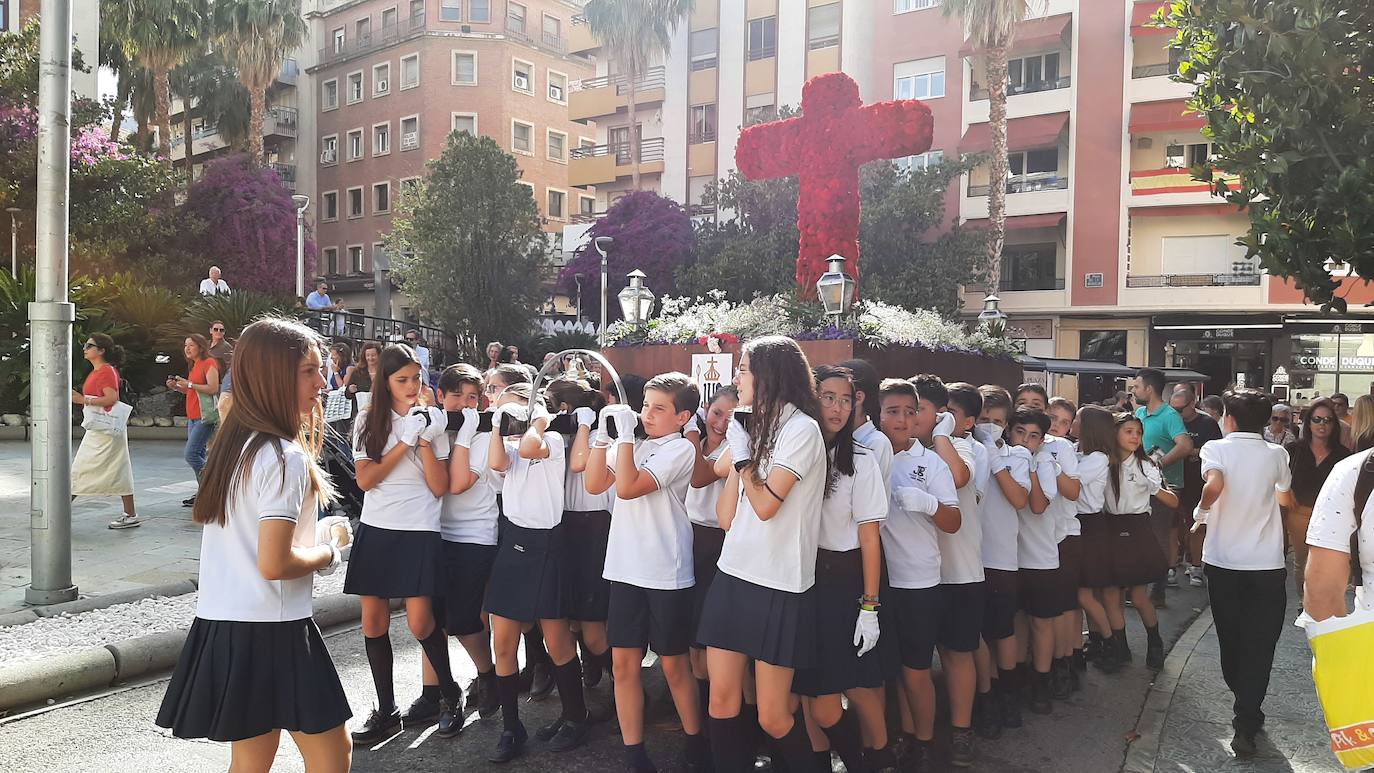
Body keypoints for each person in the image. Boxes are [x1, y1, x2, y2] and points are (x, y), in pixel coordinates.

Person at [155, 317, 352, 772]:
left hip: (228, 622)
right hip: (273, 625)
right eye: (309, 371)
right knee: (331, 754)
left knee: (251, 758)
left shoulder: (236, 445)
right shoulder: (284, 455)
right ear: (273, 377)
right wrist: (331, 551)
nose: (322, 382)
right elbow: (275, 562)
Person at [698, 336, 828, 773]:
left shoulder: (802, 430)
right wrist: (741, 447)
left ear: (769, 376)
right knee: (721, 697)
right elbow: (726, 517)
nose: (737, 377)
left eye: (744, 369)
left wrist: (742, 458)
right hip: (734, 574)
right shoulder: (753, 426)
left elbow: (769, 506)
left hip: (781, 582)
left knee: (773, 715)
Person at [584, 373, 709, 773]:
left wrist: (623, 439)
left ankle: (695, 742)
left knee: (674, 664)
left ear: (682, 416)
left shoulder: (681, 450)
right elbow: (592, 483)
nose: (647, 414)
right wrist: (605, 436)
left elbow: (629, 488)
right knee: (623, 665)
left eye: (659, 408)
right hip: (624, 568)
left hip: (665, 571)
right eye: (645, 404)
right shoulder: (633, 443)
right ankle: (634, 752)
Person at [344, 344, 464, 743]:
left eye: (416, 378)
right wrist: (404, 441)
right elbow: (364, 480)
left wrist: (426, 438)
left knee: (419, 622)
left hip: (419, 527)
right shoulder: (367, 420)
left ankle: (450, 695)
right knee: (374, 621)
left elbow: (440, 487)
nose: (412, 386)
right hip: (378, 525)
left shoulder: (434, 421)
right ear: (386, 382)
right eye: (402, 380)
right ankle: (385, 709)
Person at [787, 366, 890, 772]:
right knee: (808, 692)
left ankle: (875, 760)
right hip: (797, 575)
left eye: (846, 399)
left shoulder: (860, 460)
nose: (837, 407)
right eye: (828, 397)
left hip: (840, 580)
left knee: (836, 696)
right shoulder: (795, 451)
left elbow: (870, 537)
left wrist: (870, 606)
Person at [484, 383, 593, 762]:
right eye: (503, 413)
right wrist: (497, 427)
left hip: (547, 543)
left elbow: (532, 445)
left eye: (515, 414)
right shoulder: (512, 447)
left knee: (557, 639)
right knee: (503, 644)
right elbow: (498, 462)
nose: (511, 421)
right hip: (514, 543)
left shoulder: (552, 444)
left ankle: (576, 717)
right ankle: (512, 728)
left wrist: (539, 416)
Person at [1192, 388, 1295, 758]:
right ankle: (1247, 715)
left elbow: (1214, 484)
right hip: (1266, 564)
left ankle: (1245, 705)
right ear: (1266, 420)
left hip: (1223, 562)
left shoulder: (1215, 449)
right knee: (1260, 643)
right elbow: (1284, 496)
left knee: (1231, 640)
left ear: (1228, 418)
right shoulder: (1277, 453)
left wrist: (1200, 514)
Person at [404, 364, 504, 726]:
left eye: (472, 397)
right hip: (431, 531)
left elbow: (457, 483)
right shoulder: (429, 427)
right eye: (457, 395)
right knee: (430, 620)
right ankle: (442, 694)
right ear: (440, 396)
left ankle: (487, 673)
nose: (464, 404)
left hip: (474, 534)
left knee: (463, 619)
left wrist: (466, 432)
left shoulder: (479, 433)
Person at [877, 377, 962, 771]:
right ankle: (901, 737)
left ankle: (924, 744)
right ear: (875, 413)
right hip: (875, 581)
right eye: (892, 411)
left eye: (910, 412)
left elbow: (953, 520)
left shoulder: (929, 462)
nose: (902, 419)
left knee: (915, 670)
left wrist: (928, 503)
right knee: (888, 671)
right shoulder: (866, 453)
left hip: (917, 580)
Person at [930, 381, 988, 767]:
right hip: (920, 575)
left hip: (961, 571)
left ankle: (962, 728)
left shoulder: (969, 448)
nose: (940, 418)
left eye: (949, 413)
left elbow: (958, 476)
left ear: (966, 421)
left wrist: (940, 434)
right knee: (916, 662)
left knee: (957, 654)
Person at [971, 385, 1032, 739]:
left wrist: (995, 459)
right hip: (969, 558)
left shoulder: (1017, 456)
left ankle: (1009, 692)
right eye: (983, 419)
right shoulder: (965, 451)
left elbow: (1019, 499)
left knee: (1002, 630)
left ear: (1007, 423)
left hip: (1001, 558)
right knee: (976, 633)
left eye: (997, 421)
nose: (990, 426)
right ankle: (986, 693)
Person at [683, 387, 738, 736]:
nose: (722, 422)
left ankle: (725, 721)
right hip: (687, 541)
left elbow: (699, 475)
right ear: (706, 409)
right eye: (717, 412)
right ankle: (699, 713)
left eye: (732, 416)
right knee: (690, 639)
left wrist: (689, 433)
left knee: (712, 639)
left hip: (719, 544)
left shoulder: (734, 449)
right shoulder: (696, 441)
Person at [1104, 412, 1176, 671]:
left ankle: (1155, 642)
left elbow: (1173, 502)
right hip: (1110, 528)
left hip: (1137, 529)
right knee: (1111, 593)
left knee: (1138, 595)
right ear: (1114, 434)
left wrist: (1155, 488)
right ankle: (1120, 647)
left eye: (1138, 432)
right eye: (1128, 431)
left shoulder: (1146, 465)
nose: (1135, 437)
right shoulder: (1104, 462)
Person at [1132, 368, 1194, 608]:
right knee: (1140, 536)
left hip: (1165, 487)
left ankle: (1158, 590)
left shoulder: (1169, 415)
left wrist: (1158, 464)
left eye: (1137, 386)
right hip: (1141, 485)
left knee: (1158, 537)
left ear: (1149, 389)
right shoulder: (1139, 412)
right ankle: (1139, 586)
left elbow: (1185, 444)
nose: (1134, 391)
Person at [70, 333, 140, 529]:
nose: (85, 348)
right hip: (103, 428)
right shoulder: (99, 371)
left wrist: (82, 400)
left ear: (101, 350)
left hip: (104, 430)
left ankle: (56, 513)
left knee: (81, 467)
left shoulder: (105, 371)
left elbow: (111, 398)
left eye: (90, 345)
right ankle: (130, 514)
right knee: (119, 468)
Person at [1283, 398, 1350, 600]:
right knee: (1302, 560)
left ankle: (1320, 602)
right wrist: (1287, 491)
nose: (1322, 424)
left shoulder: (1343, 455)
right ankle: (1304, 604)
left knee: (1326, 562)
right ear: (1308, 423)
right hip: (1300, 513)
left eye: (1328, 420)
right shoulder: (1294, 450)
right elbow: (1280, 479)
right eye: (1317, 419)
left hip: (1331, 517)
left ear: (1334, 424)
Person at [1072, 406, 1122, 672]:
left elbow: (1071, 483)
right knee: (1085, 592)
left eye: (1078, 419)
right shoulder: (1077, 452)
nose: (1073, 422)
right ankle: (1098, 641)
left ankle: (1110, 642)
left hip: (1089, 526)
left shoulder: (1098, 458)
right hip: (1079, 525)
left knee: (1084, 593)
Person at [1169, 383, 1223, 588]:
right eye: (1173, 409)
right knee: (1174, 526)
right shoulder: (1170, 420)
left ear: (1193, 403)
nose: (1177, 414)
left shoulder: (1207, 424)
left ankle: (1196, 565)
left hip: (1197, 480)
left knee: (1197, 525)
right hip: (1174, 478)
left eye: (1180, 409)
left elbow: (1216, 451)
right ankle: (1173, 564)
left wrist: (1189, 451)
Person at [169, 334, 221, 507]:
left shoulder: (209, 363)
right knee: (197, 454)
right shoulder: (194, 365)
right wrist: (178, 387)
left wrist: (189, 384)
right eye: (185, 345)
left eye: (191, 345)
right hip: (193, 416)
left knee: (191, 454)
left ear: (200, 346)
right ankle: (204, 492)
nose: (187, 348)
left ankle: (211, 488)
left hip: (205, 417)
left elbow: (213, 388)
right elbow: (195, 392)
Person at [346, 341, 382, 416]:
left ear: (379, 355)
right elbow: (347, 395)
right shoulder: (357, 372)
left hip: (379, 412)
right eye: (368, 355)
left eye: (373, 355)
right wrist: (350, 389)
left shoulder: (384, 372)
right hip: (360, 413)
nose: (370, 358)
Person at [208, 321, 233, 394]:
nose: (218, 332)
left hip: (218, 386)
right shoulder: (206, 345)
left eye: (221, 330)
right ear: (210, 331)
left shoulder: (227, 348)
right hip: (204, 383)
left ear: (224, 332)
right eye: (216, 329)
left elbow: (230, 369)